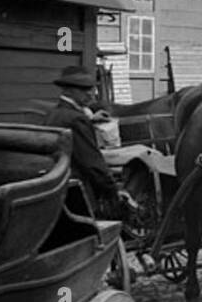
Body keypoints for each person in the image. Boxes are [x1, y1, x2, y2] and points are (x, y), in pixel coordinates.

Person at [42, 65, 134, 220]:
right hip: (77, 194)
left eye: (92, 89)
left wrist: (91, 120)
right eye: (85, 90)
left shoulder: (53, 114)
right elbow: (92, 163)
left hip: (56, 187)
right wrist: (113, 189)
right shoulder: (77, 119)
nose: (92, 94)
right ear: (68, 90)